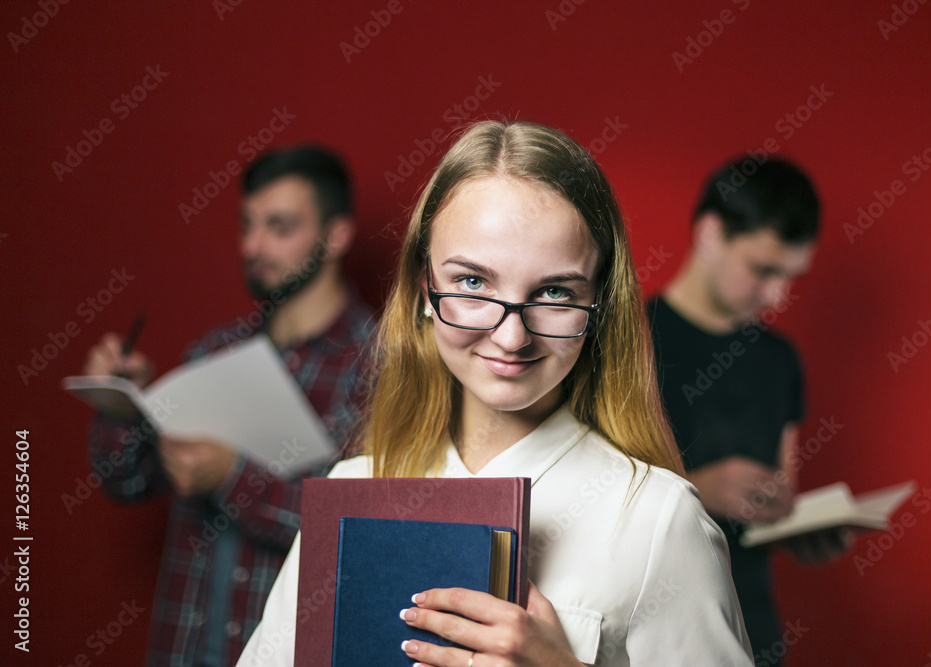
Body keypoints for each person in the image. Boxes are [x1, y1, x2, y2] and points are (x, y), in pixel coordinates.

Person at [237, 120, 753, 667]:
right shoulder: (351, 493)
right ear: (424, 289)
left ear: (599, 307)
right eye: (473, 283)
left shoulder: (657, 518)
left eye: (555, 291)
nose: (512, 336)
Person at [82, 145, 375, 667]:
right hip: (185, 648)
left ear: (336, 236)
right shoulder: (214, 351)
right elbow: (126, 482)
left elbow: (361, 536)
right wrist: (123, 403)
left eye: (280, 226)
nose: (253, 245)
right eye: (247, 224)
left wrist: (229, 477)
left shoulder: (382, 368)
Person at [646, 157, 849, 664]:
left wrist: (801, 530)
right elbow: (572, 498)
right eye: (764, 269)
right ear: (711, 233)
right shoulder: (624, 343)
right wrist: (694, 489)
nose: (777, 296)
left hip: (751, 628)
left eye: (790, 276)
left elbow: (779, 493)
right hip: (645, 627)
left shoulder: (779, 360)